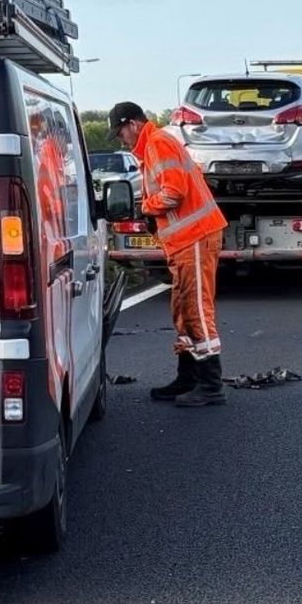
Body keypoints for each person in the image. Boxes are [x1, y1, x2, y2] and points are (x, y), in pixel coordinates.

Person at [107, 101, 229, 407]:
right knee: (184, 308)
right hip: (184, 241)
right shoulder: (153, 146)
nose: (121, 139)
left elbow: (173, 193)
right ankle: (188, 378)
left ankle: (211, 385)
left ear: (132, 124)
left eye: (120, 132)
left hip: (196, 237)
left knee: (197, 309)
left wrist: (145, 206)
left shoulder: (158, 144)